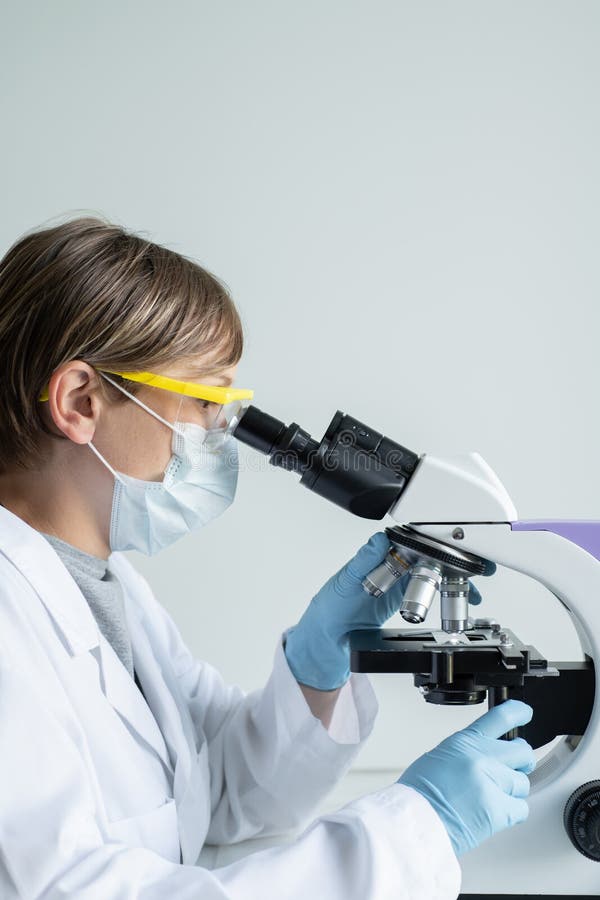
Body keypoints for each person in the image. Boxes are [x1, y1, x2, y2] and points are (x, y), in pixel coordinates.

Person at [0, 216, 535, 899]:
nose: (221, 436)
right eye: (204, 401)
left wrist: (316, 668)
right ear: (81, 401)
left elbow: (215, 792)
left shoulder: (110, 586)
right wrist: (419, 829)